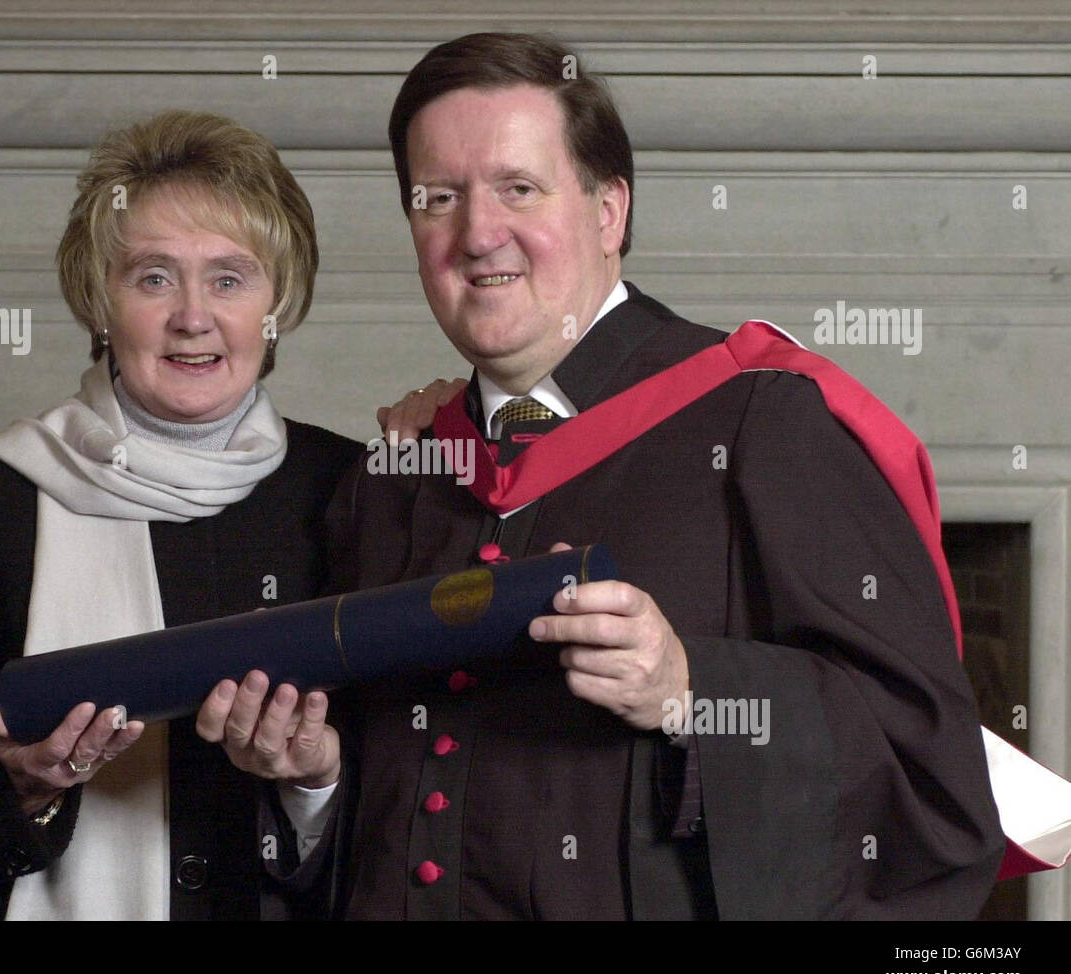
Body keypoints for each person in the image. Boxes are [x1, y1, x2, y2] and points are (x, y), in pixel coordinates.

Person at [201, 32, 1008, 919]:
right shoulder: (396, 476)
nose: (477, 233)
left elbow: (925, 768)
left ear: (608, 211)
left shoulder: (763, 422)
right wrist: (313, 783)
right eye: (439, 198)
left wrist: (692, 689)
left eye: (519, 187)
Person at [0, 109, 453, 920]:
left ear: (279, 304)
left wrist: (315, 780)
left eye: (230, 278)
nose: (193, 316)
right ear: (100, 302)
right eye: (154, 276)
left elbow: (426, 808)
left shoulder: (354, 491)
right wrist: (18, 786)